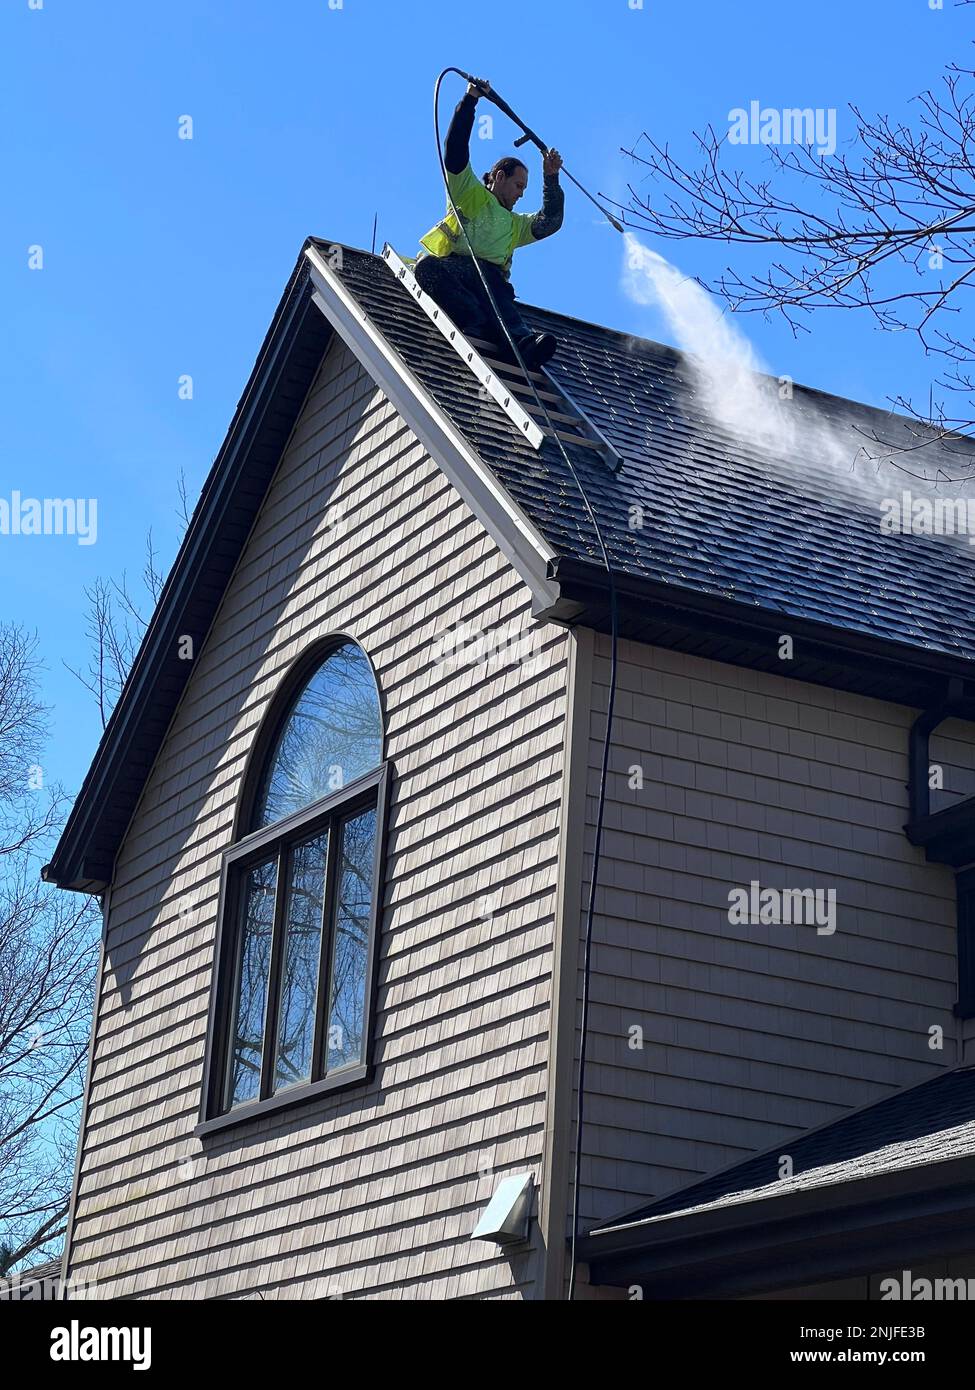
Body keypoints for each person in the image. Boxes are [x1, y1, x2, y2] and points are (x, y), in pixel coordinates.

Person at [415, 77, 564, 370]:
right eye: (518, 185)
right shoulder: (469, 193)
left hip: (491, 284)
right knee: (425, 268)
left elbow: (550, 222)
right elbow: (456, 150)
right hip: (456, 270)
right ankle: (473, 318)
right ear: (499, 177)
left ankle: (521, 343)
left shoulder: (515, 225)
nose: (521, 194)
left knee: (497, 293)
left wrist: (551, 177)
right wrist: (470, 100)